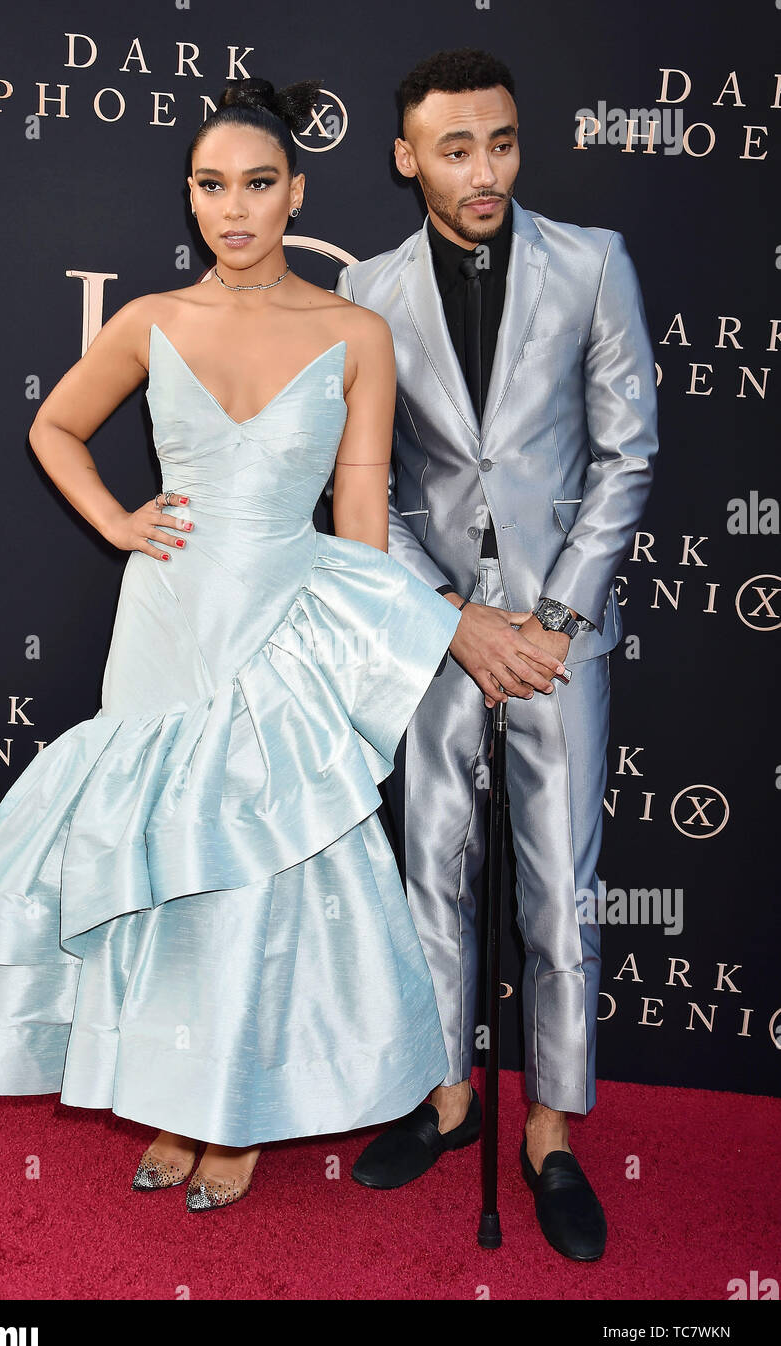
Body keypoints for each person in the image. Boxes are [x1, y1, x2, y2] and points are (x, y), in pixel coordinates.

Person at [0, 77, 554, 1213]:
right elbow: (52, 425)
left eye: (257, 184)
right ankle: (166, 1097)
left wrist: (370, 653)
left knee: (259, 874)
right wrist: (120, 521)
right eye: (211, 185)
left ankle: (236, 1116)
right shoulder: (150, 319)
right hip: (166, 617)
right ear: (192, 199)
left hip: (287, 617)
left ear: (296, 192)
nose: (233, 207)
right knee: (163, 866)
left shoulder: (354, 331)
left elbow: (362, 529)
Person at [335, 48, 658, 1261]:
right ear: (406, 156)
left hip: (561, 640)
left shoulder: (593, 263)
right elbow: (369, 485)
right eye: (456, 148)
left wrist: (554, 621)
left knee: (558, 889)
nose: (484, 171)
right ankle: (447, 1098)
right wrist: (450, 618)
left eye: (503, 143)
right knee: (429, 870)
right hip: (432, 636)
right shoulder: (365, 291)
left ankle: (555, 1137)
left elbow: (628, 456)